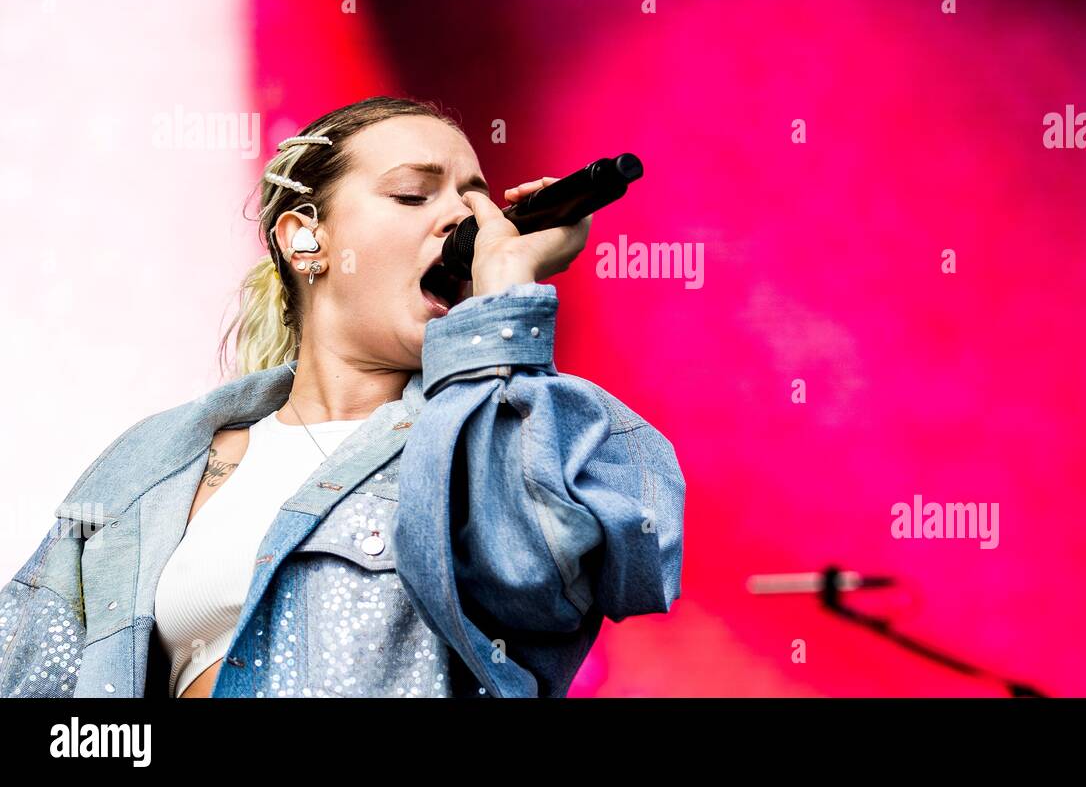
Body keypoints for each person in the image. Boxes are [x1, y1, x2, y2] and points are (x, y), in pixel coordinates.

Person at [0, 95, 684, 698]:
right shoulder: (155, 461)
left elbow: (538, 577)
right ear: (306, 240)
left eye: (474, 199)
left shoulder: (534, 421)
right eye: (414, 195)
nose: (460, 218)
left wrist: (505, 305)